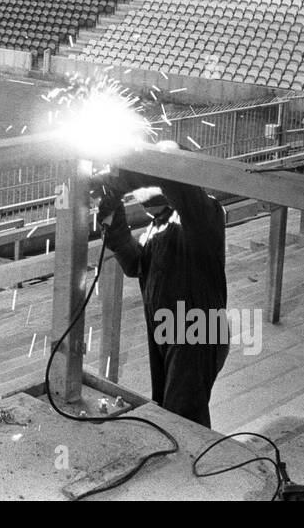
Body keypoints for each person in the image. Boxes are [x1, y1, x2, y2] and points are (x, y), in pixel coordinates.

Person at [95, 139, 229, 428]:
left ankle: (191, 470)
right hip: (168, 331)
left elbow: (174, 177)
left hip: (198, 331)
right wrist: (112, 217)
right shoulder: (157, 227)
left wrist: (121, 178)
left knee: (182, 419)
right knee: (171, 411)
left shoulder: (204, 213)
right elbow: (134, 264)